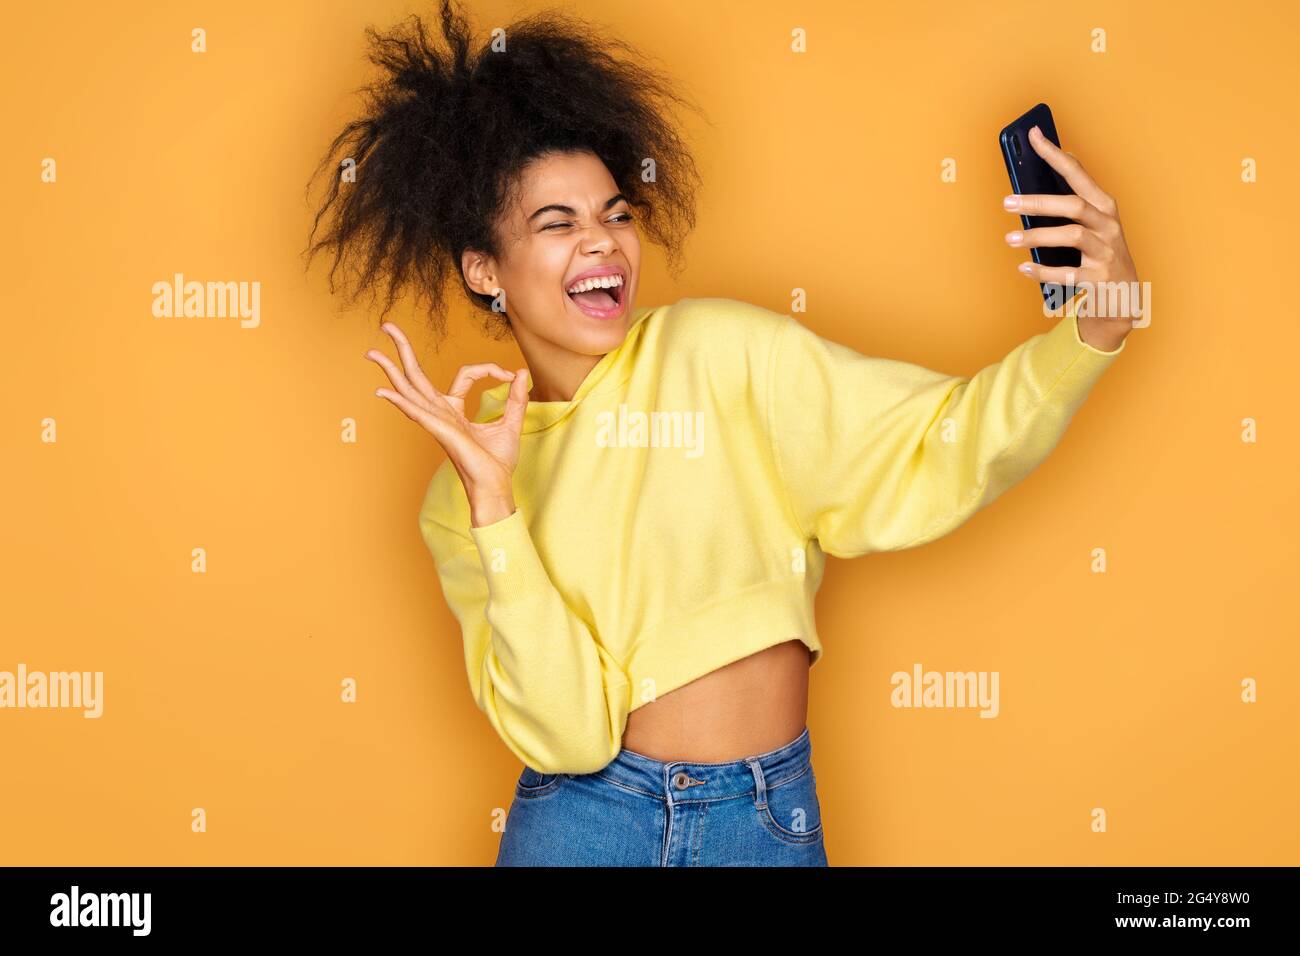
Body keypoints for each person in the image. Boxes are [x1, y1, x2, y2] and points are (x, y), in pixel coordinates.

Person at [305, 0, 1138, 866]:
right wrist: (495, 507)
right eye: (558, 224)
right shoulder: (460, 498)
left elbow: (943, 442)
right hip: (581, 828)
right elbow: (567, 736)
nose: (603, 244)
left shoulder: (722, 352)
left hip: (767, 820)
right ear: (485, 269)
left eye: (616, 214)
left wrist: (1104, 319)